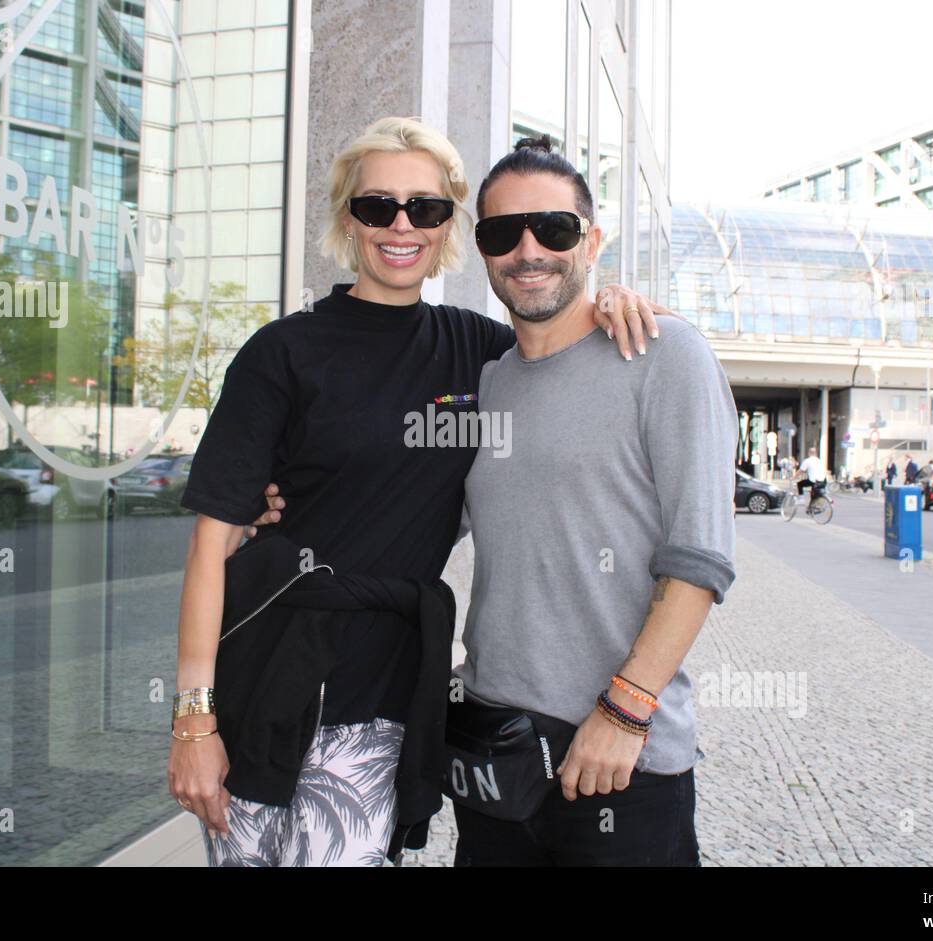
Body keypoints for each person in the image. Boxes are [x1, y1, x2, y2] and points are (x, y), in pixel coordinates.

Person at [167, 117, 663, 867]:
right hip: (266, 671)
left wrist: (623, 307)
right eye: (378, 207)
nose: (401, 226)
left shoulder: (480, 351)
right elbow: (209, 554)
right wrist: (194, 724)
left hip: (389, 686)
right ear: (347, 219)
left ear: (449, 226)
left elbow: (563, 338)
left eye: (425, 209)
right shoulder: (282, 353)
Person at [447, 137, 737, 866]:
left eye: (554, 228)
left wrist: (625, 710)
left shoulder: (665, 354)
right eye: (501, 232)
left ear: (593, 240)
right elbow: (411, 514)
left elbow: (699, 561)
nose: (528, 249)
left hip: (619, 761)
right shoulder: (483, 385)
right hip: (493, 753)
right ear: (481, 249)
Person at [795, 446, 827, 513]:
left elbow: (801, 470)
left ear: (809, 453)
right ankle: (811, 509)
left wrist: (793, 477)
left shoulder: (808, 460)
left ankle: (801, 499)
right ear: (816, 453)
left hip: (814, 481)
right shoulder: (819, 461)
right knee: (814, 494)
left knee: (799, 484)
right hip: (823, 481)